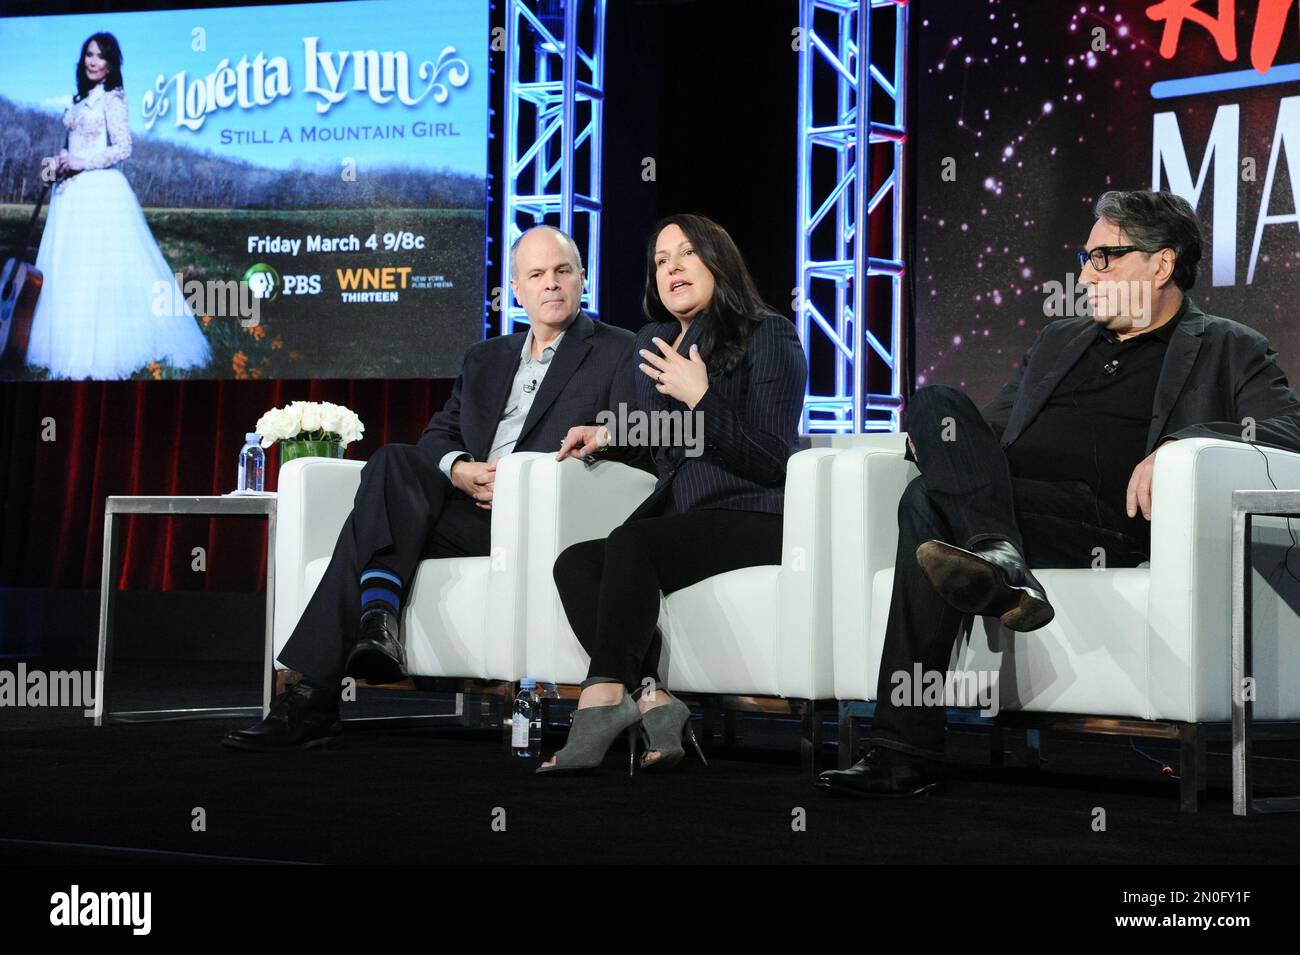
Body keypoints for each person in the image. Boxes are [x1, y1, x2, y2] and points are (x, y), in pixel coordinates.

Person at [816, 189, 1300, 798]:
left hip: (1103, 524)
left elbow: (1288, 431)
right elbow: (988, 429)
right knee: (935, 405)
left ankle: (904, 748)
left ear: (1162, 264)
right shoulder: (1058, 341)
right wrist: (943, 444)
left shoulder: (1231, 346)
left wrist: (1181, 442)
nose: (1085, 273)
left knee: (924, 507)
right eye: (1085, 257)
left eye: (1104, 257)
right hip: (1017, 506)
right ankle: (997, 551)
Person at [223, 225, 638, 751]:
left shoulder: (619, 350)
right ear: (516, 288)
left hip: (538, 520)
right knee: (395, 461)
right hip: (466, 509)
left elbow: (636, 432)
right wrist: (459, 467)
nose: (551, 284)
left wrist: (586, 446)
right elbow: (438, 433)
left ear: (583, 277)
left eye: (562, 271)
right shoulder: (485, 358)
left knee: (364, 533)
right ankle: (371, 629)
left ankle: (316, 692)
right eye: (536, 275)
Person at [539, 213, 808, 775]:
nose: (672, 268)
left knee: (630, 542)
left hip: (753, 511)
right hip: (681, 517)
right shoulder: (653, 340)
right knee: (575, 563)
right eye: (661, 261)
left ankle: (601, 699)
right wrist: (612, 436)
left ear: (718, 261)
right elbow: (668, 445)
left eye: (686, 254)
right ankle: (654, 699)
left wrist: (701, 398)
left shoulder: (769, 332)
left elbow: (771, 456)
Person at [27, 32, 212, 380]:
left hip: (99, 191)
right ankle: (61, 346)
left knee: (98, 272)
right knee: (68, 269)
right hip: (68, 196)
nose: (92, 61)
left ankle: (104, 349)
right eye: (88, 55)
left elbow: (123, 147)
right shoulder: (78, 100)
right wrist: (57, 165)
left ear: (111, 63)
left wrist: (82, 161)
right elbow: (69, 147)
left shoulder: (113, 98)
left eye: (100, 56)